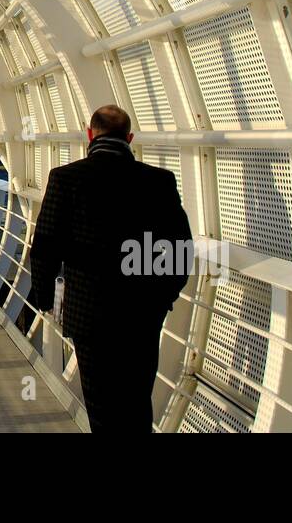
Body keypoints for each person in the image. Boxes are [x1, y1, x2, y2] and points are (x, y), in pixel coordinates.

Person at [27, 104, 193, 433]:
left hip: (90, 317)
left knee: (102, 408)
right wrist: (163, 297)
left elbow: (45, 246)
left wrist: (45, 297)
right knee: (135, 403)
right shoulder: (159, 181)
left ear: (90, 135)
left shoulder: (66, 179)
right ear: (129, 138)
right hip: (142, 315)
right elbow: (179, 248)